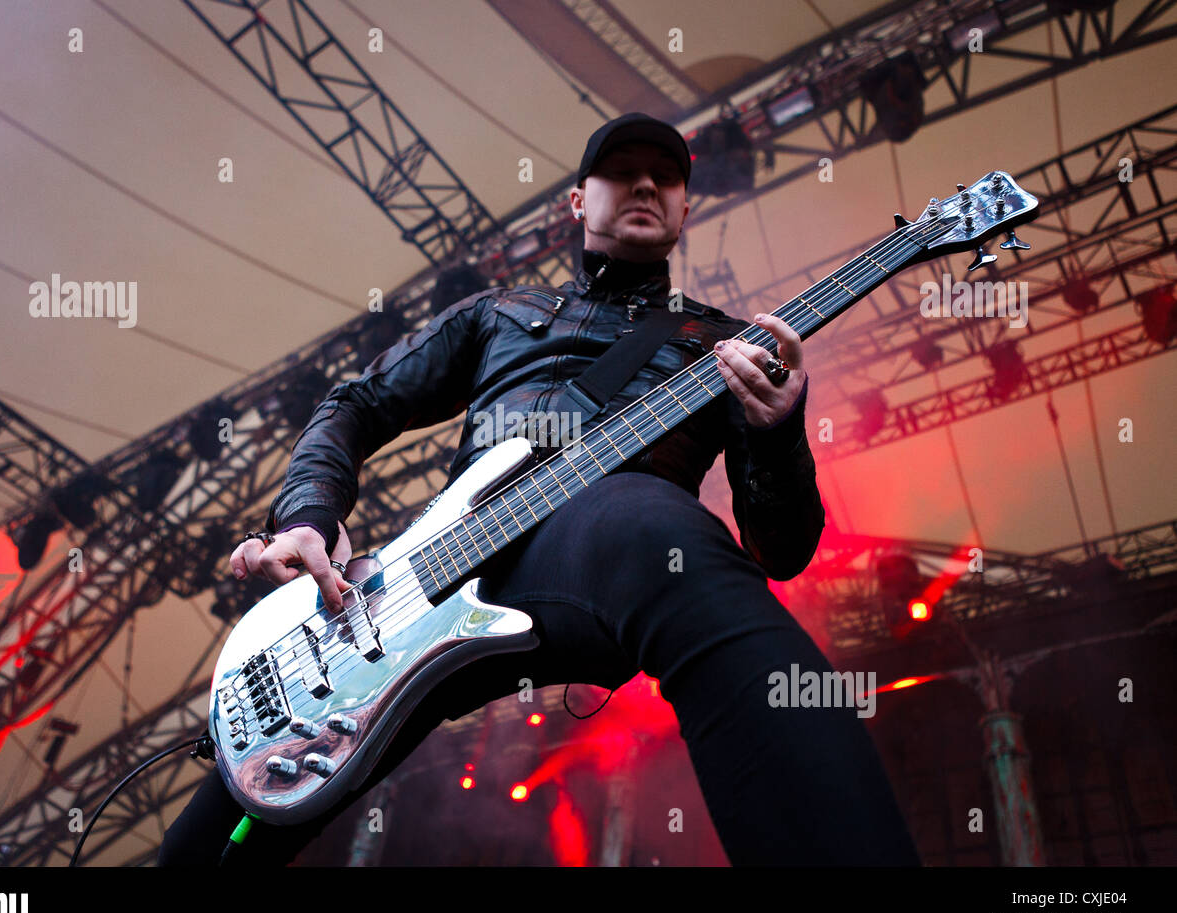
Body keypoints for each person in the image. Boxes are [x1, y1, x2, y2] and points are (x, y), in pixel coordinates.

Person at [157, 113, 921, 867]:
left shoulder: (716, 345)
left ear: (686, 209)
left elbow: (781, 551)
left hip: (602, 546)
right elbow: (356, 402)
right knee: (230, 817)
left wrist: (779, 430)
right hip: (430, 579)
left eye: (667, 175)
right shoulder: (502, 311)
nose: (646, 183)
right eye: (622, 171)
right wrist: (309, 518)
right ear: (577, 201)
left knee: (661, 533)